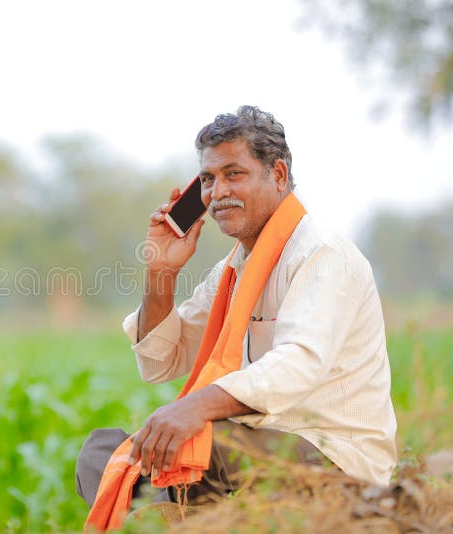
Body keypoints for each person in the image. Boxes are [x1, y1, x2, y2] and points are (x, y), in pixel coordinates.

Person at [75, 106, 397, 521]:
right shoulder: (230, 272)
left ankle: (160, 518)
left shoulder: (323, 255)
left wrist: (195, 407)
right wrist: (160, 270)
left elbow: (298, 364)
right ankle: (163, 519)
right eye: (208, 179)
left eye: (234, 173)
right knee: (102, 450)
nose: (218, 192)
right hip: (249, 446)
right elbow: (161, 361)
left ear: (278, 175)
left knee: (202, 443)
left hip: (334, 457)